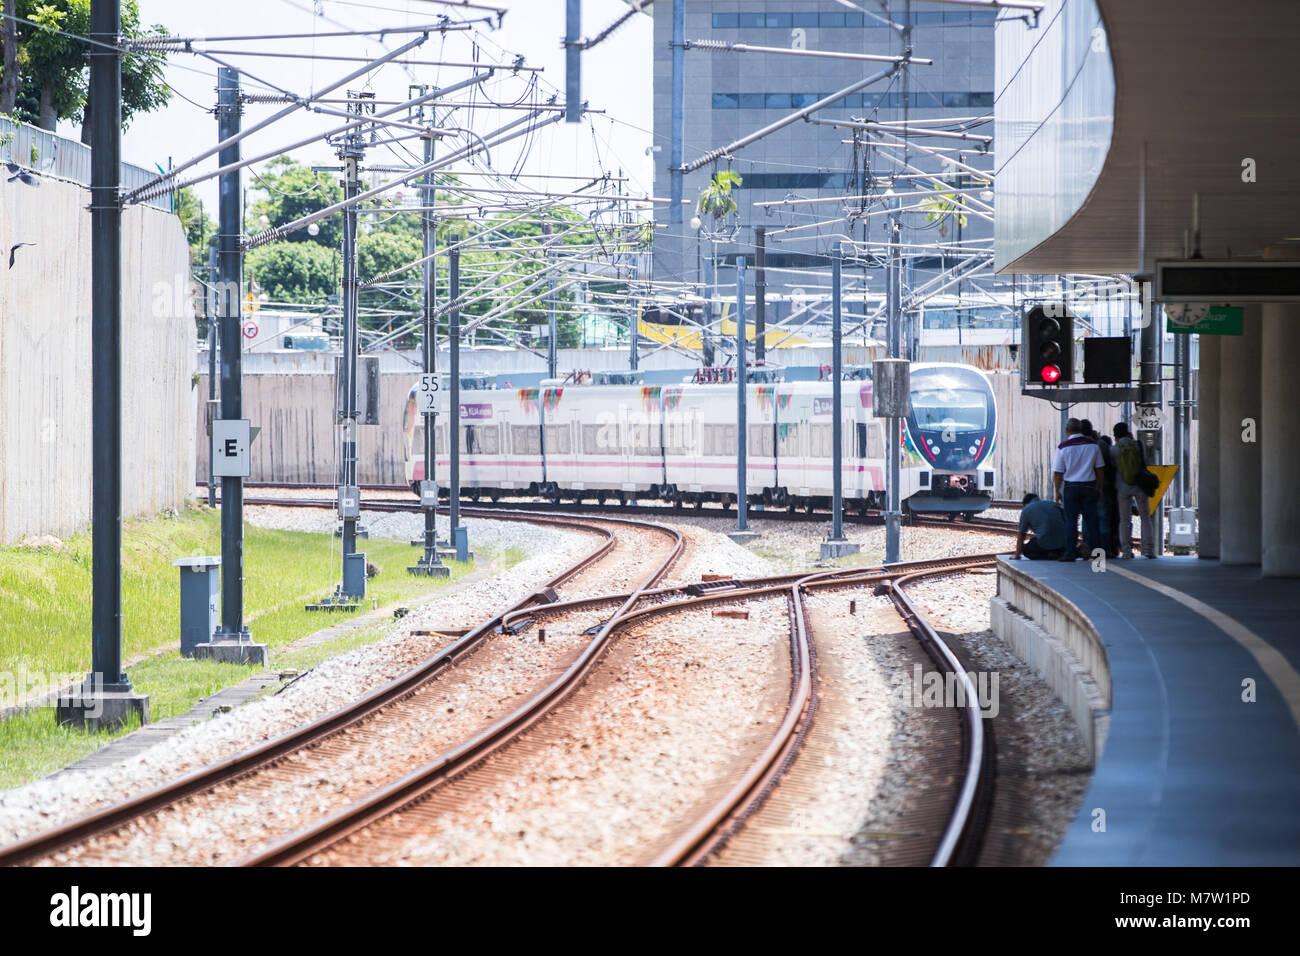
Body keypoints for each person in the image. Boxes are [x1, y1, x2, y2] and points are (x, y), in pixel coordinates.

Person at [1052, 417, 1105, 561]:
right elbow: (1100, 468)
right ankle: (1097, 555)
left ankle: (1070, 553)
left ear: (1067, 431)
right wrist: (1099, 487)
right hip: (1089, 486)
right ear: (1081, 430)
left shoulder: (1063, 447)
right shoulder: (1093, 445)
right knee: (1092, 521)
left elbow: (1058, 472)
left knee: (1071, 522)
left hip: (1071, 487)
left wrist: (1057, 491)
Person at [1111, 422, 1157, 558]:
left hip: (1122, 487)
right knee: (1145, 517)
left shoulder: (1113, 450)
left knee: (1124, 520)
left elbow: (1112, 467)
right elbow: (1146, 460)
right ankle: (1149, 550)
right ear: (1128, 432)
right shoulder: (1137, 445)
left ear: (1115, 435)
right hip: (1139, 486)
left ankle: (1126, 551)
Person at [1014, 492, 1066, 560]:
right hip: (1063, 544)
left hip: (1044, 544)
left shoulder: (1026, 509)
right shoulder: (1053, 503)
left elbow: (1021, 535)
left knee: (1026, 550)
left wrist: (1017, 555)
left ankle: (1049, 555)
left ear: (1024, 504)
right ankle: (1058, 553)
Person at [1097, 433, 1120, 557]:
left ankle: (1097, 548)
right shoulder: (1110, 452)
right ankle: (1110, 548)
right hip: (1112, 491)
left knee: (1098, 520)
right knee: (1111, 521)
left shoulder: (1098, 449)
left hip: (1100, 490)